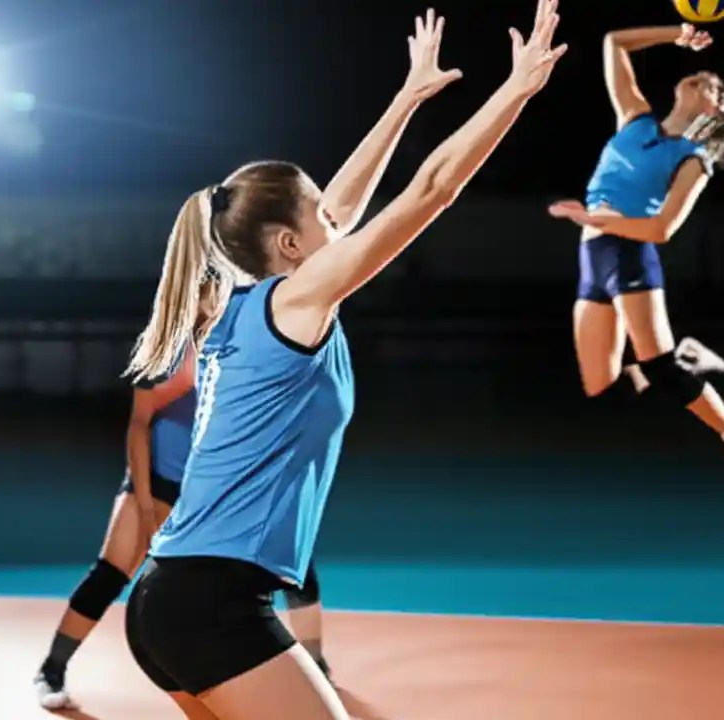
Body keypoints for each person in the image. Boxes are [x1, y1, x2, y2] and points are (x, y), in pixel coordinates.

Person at [120, 6, 565, 718]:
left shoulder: (238, 302)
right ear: (290, 248)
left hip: (162, 599)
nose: (334, 216)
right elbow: (431, 191)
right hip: (212, 608)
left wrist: (406, 98)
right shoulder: (293, 306)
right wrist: (515, 91)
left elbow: (344, 207)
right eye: (318, 217)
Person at [31, 295, 334, 710]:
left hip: (214, 491)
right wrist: (143, 501)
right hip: (157, 481)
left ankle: (315, 664)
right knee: (111, 572)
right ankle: (52, 667)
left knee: (296, 571)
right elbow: (139, 425)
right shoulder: (169, 349)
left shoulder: (253, 340)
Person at [546, 23, 724, 487]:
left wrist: (595, 220)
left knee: (657, 367)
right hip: (593, 256)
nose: (703, 77)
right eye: (701, 74)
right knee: (601, 384)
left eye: (713, 86)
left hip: (632, 254)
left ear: (715, 109)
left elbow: (661, 228)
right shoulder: (634, 119)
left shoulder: (694, 159)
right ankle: (686, 357)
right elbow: (613, 42)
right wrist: (676, 33)